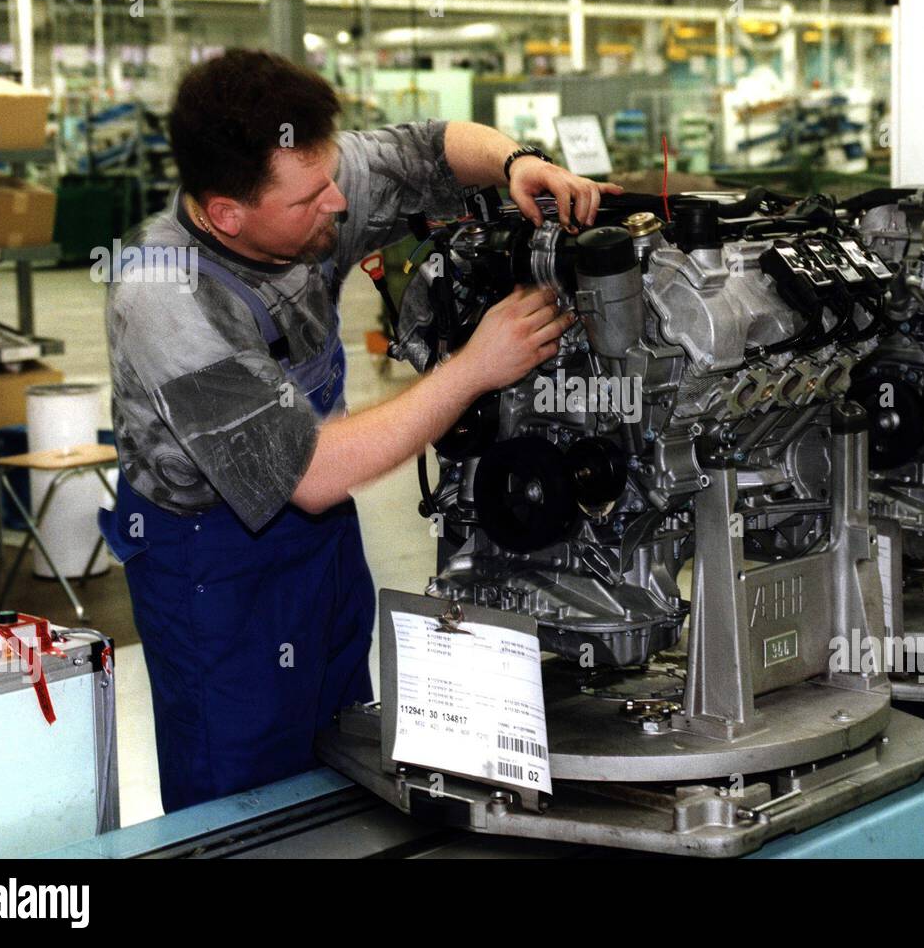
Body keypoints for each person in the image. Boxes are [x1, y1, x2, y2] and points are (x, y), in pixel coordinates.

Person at [100, 48, 621, 812]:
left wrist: (517, 160)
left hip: (320, 553)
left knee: (343, 763)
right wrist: (475, 368)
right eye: (311, 197)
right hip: (212, 573)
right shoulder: (163, 299)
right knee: (243, 797)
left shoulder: (307, 178)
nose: (339, 203)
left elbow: (431, 146)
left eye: (332, 178)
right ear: (224, 215)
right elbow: (310, 474)